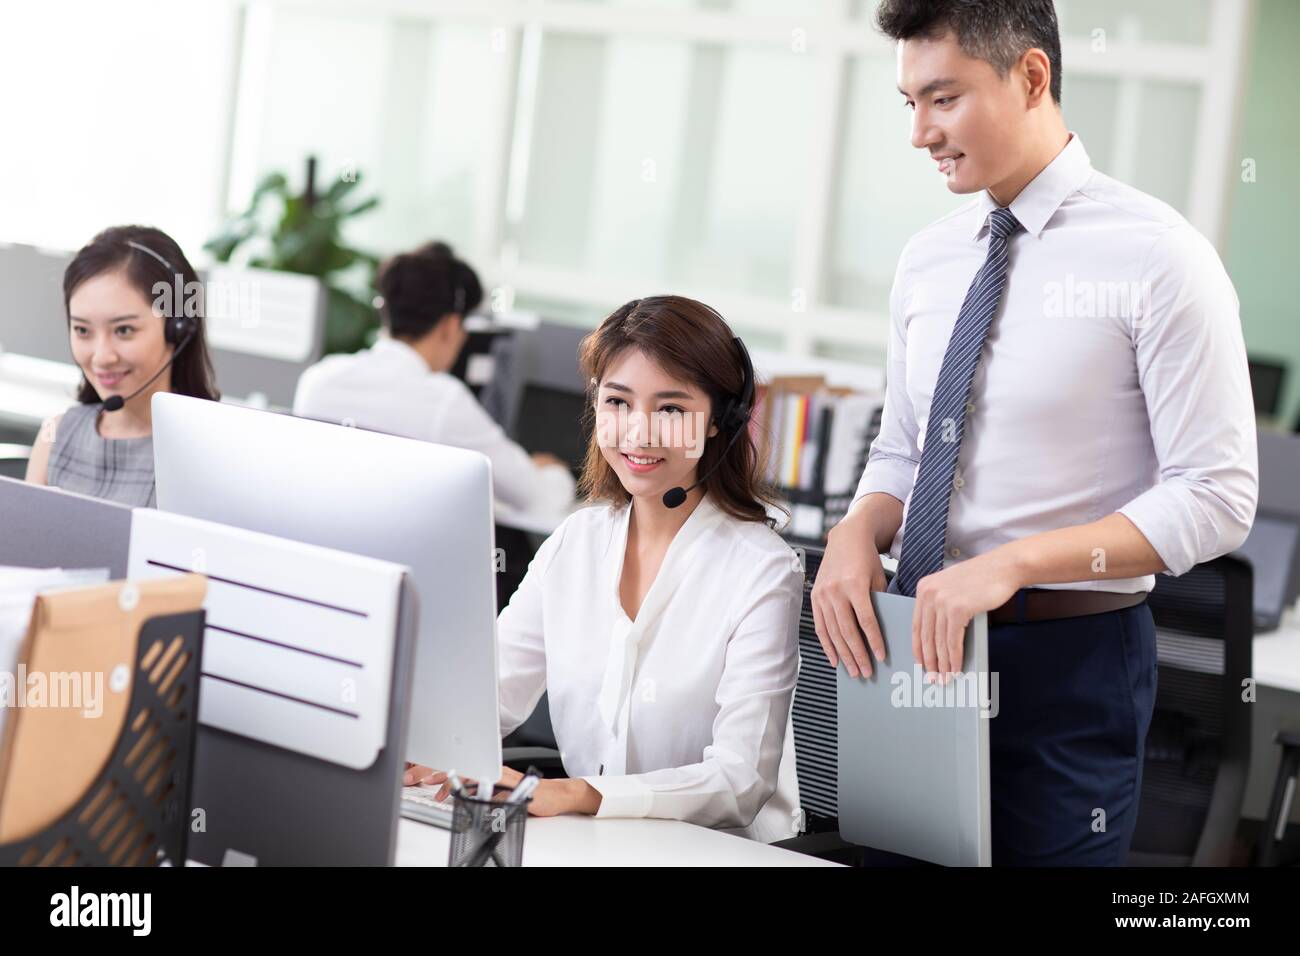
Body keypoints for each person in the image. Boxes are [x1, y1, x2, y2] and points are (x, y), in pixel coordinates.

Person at [811, 0, 1257, 865]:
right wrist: (856, 529)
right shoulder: (929, 259)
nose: (920, 134)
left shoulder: (1159, 257)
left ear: (1032, 76)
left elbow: (1218, 495)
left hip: (1070, 663)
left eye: (942, 98)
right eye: (909, 103)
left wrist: (1012, 562)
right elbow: (904, 446)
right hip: (917, 649)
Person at [405, 295, 804, 842]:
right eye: (618, 402)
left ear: (720, 421)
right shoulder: (577, 541)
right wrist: (427, 748)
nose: (638, 432)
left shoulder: (761, 569)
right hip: (590, 844)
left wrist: (579, 794)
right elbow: (488, 695)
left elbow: (739, 780)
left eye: (670, 409)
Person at [292, 241, 574, 513]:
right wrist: (554, 472)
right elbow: (535, 498)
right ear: (450, 326)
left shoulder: (318, 380)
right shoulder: (444, 401)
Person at [25, 225, 220, 506]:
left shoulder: (209, 456)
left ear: (178, 328)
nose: (102, 356)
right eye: (82, 330)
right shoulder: (55, 436)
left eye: (124, 330)